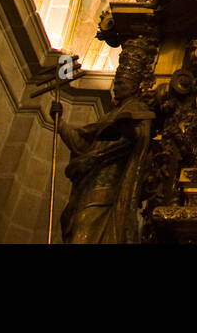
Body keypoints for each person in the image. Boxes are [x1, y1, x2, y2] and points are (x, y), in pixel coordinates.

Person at [56, 39, 158, 243]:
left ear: (135, 86)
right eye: (116, 82)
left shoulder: (138, 110)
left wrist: (100, 155)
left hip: (109, 191)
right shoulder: (108, 116)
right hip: (89, 186)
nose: (116, 88)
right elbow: (83, 145)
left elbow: (139, 142)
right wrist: (60, 124)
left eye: (121, 83)